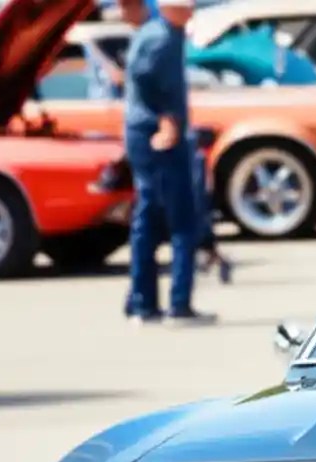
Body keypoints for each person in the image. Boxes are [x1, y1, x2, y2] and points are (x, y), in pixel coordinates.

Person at [122, 0, 215, 324]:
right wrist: (168, 119)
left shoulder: (165, 34)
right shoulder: (161, 37)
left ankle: (143, 301)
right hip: (157, 137)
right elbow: (145, 75)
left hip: (151, 133)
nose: (190, 11)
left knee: (152, 217)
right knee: (179, 220)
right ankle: (175, 304)